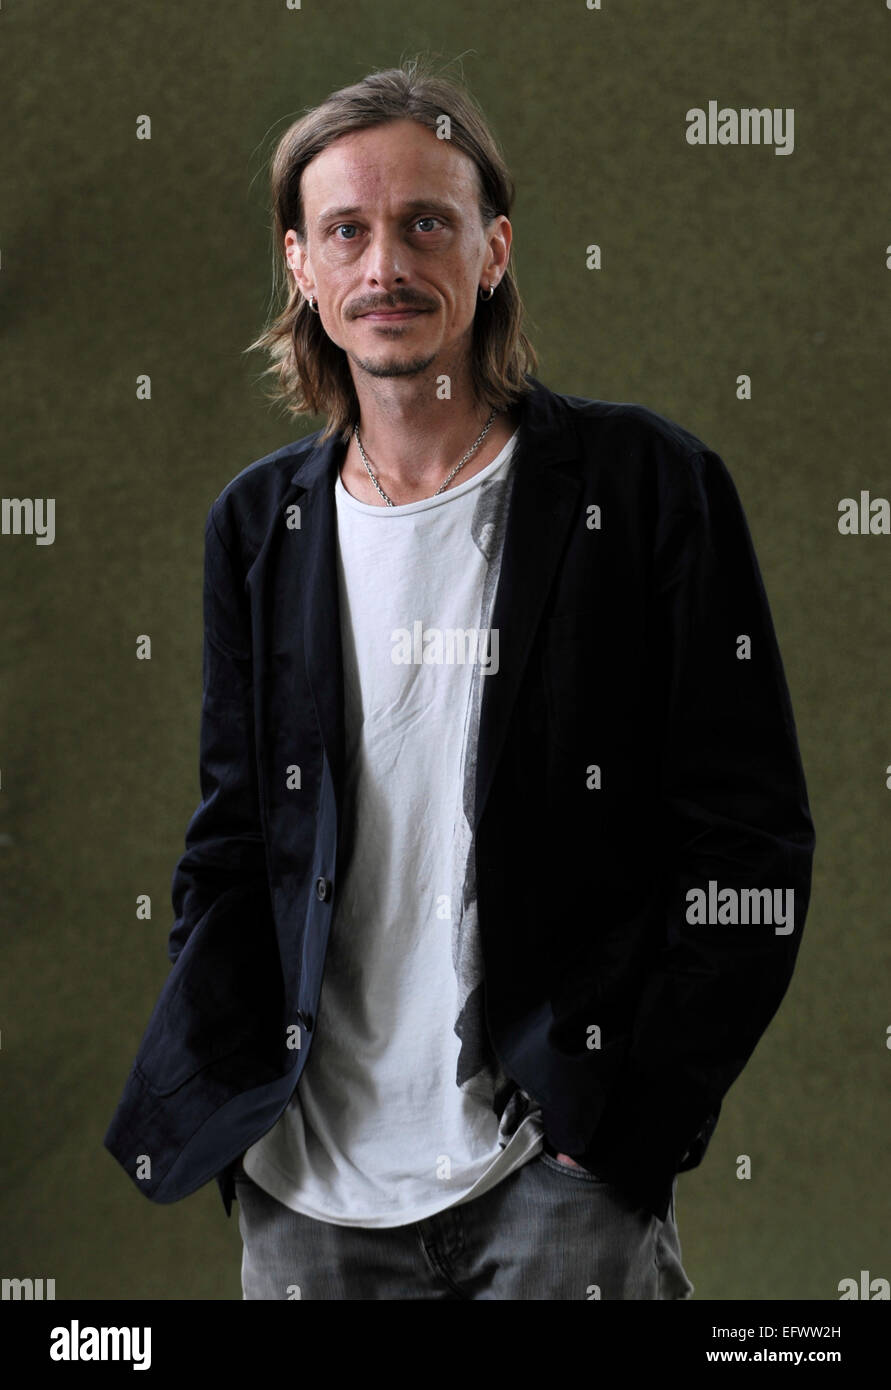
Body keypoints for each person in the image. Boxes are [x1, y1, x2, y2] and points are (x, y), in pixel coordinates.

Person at [103, 59, 816, 1300]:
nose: (386, 266)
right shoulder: (257, 529)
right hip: (306, 1193)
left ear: (492, 251)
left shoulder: (645, 489)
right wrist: (234, 1093)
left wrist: (631, 1120)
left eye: (426, 223)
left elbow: (750, 843)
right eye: (349, 231)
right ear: (302, 267)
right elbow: (231, 843)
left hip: (556, 1177)